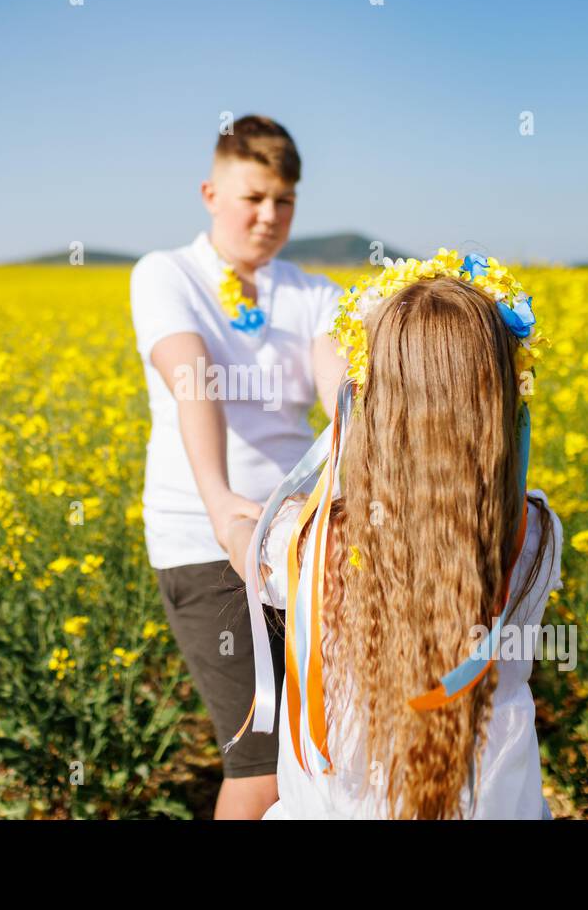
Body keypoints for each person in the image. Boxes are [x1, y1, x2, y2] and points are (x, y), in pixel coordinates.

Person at [222, 260, 564, 819]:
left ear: (369, 401)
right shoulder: (536, 533)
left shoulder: (305, 537)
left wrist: (235, 522)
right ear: (503, 400)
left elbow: (249, 552)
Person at [129, 114, 348, 819]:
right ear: (209, 192)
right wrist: (223, 502)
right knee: (261, 767)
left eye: (284, 200)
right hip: (207, 540)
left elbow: (339, 391)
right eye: (253, 197)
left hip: (307, 544)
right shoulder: (166, 275)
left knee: (326, 752)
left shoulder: (313, 292)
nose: (269, 216)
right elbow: (192, 380)